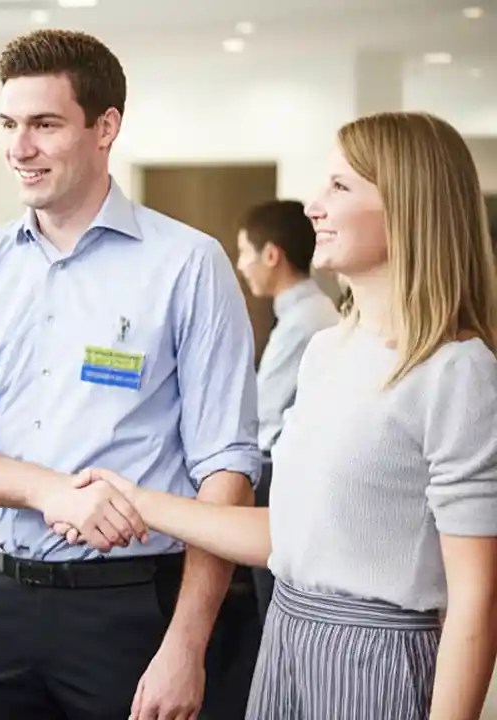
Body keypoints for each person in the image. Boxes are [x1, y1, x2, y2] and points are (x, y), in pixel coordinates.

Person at [0, 28, 261, 720]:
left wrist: (187, 645)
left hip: (136, 611)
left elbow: (226, 470)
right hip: (6, 604)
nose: (19, 148)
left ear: (105, 127)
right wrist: (49, 490)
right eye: (9, 125)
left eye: (45, 125)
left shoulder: (188, 265)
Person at [84, 111, 497, 720]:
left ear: (408, 205)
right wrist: (135, 500)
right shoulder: (327, 351)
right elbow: (289, 535)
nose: (312, 207)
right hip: (285, 638)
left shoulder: (457, 371)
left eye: (340, 186)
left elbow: (476, 601)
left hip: (374, 660)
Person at [234, 200, 340, 617]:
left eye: (245, 252)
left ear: (271, 255)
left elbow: (259, 414)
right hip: (287, 474)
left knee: (271, 606)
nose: (241, 265)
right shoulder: (308, 312)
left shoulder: (304, 320)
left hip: (279, 476)